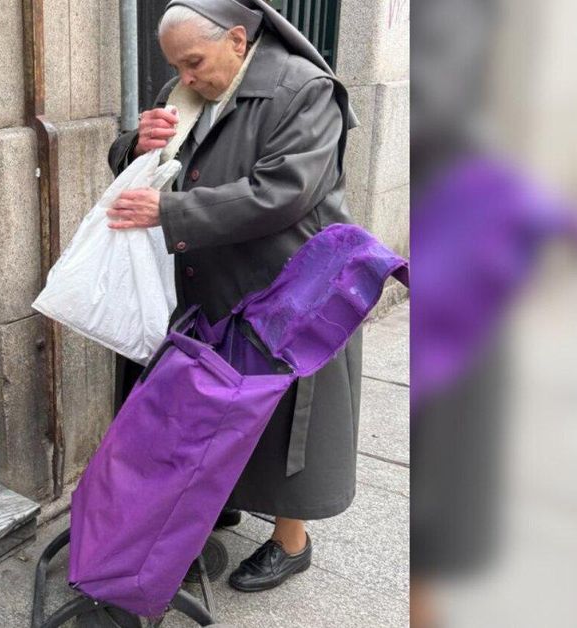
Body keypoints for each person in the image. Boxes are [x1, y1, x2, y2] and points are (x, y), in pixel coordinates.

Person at [106, 0, 360, 592]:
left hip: (288, 284)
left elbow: (285, 193)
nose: (184, 79)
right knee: (214, 402)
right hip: (209, 275)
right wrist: (136, 144)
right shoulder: (191, 84)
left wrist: (171, 212)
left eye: (193, 63)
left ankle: (291, 541)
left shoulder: (306, 90)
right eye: (177, 67)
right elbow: (155, 160)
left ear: (239, 41)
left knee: (280, 413)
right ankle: (223, 500)